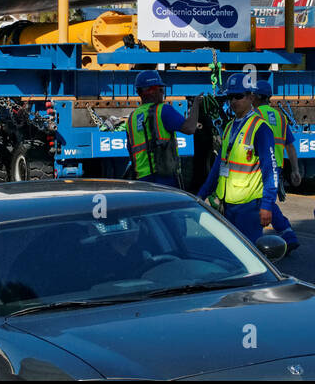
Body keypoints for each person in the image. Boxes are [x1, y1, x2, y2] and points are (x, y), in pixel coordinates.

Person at [197, 72, 275, 244]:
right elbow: (219, 165)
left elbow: (270, 170)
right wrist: (202, 193)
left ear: (251, 97)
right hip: (227, 205)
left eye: (238, 96)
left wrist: (267, 205)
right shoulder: (230, 127)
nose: (233, 101)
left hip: (248, 207)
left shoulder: (260, 129)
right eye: (230, 97)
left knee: (250, 255)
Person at [124, 70, 201, 188]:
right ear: (151, 90)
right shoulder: (163, 110)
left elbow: (131, 151)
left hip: (142, 181)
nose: (162, 92)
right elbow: (190, 128)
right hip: (164, 178)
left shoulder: (132, 118)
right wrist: (196, 104)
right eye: (159, 88)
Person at [251, 79, 301, 254]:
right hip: (276, 166)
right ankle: (286, 235)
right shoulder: (280, 117)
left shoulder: (254, 116)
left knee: (262, 202)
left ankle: (287, 235)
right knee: (266, 201)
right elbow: (290, 146)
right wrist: (295, 169)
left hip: (259, 166)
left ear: (256, 97)